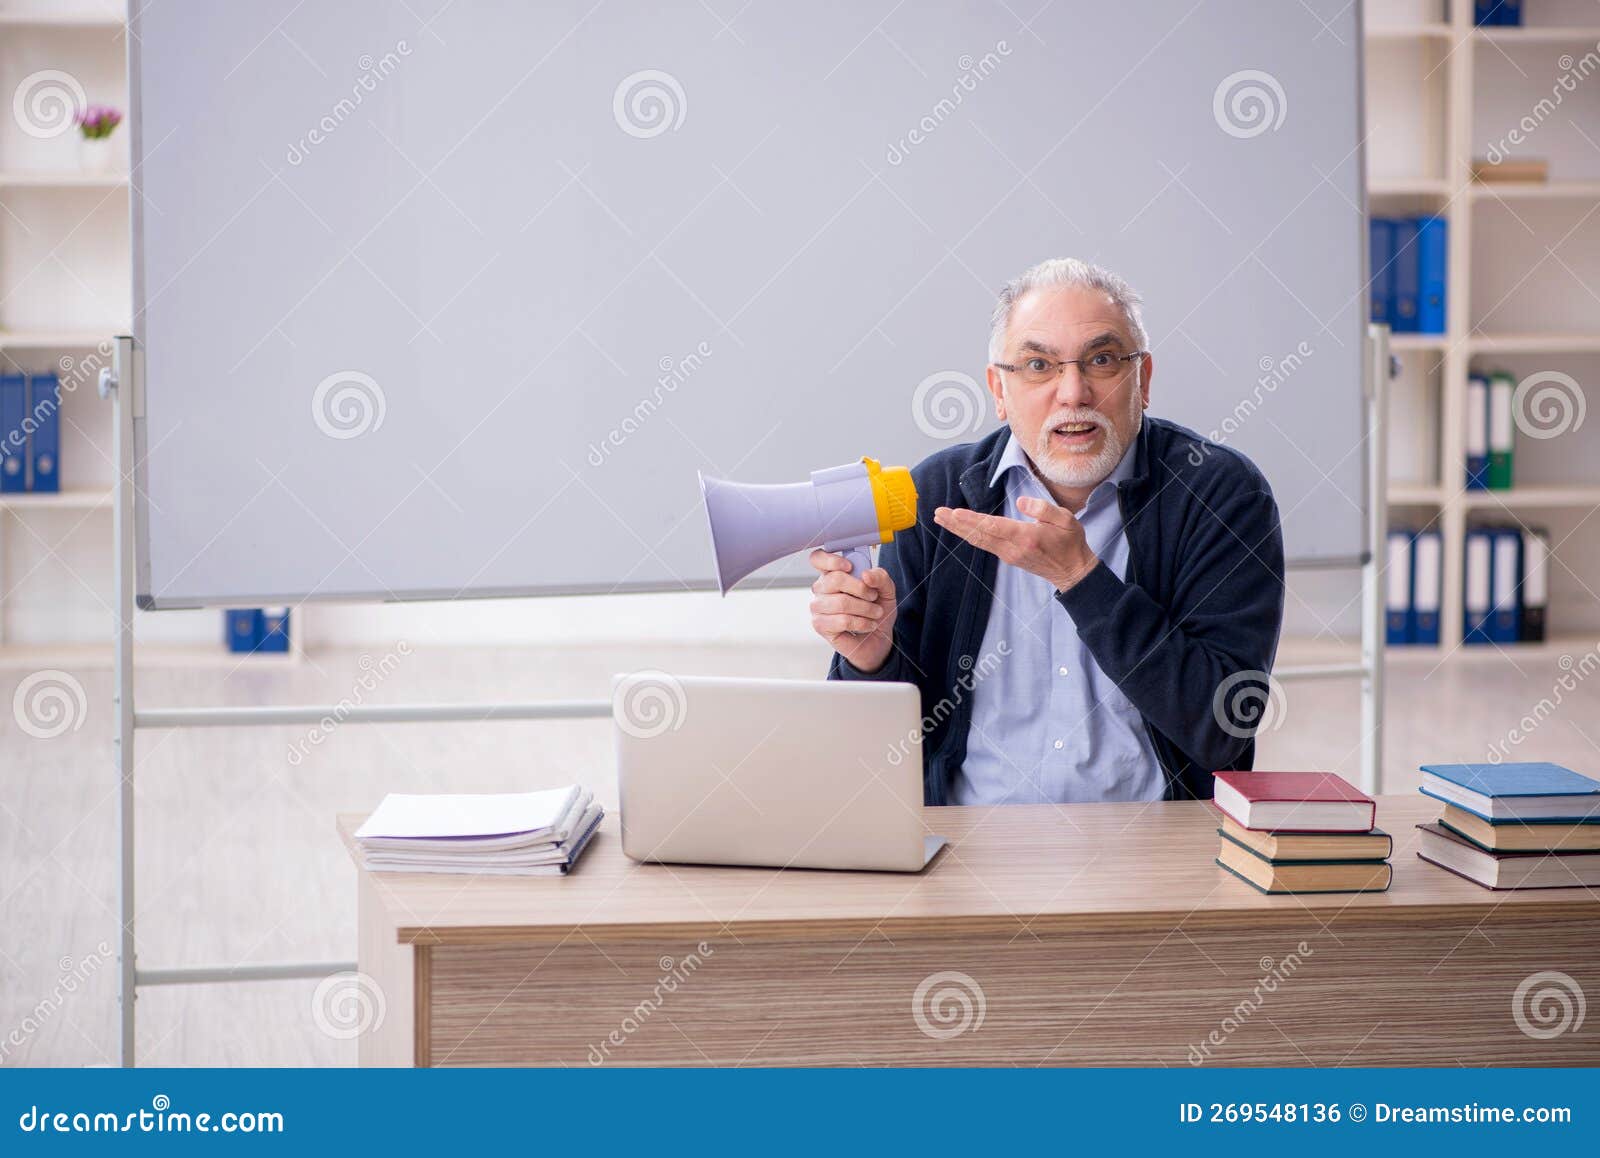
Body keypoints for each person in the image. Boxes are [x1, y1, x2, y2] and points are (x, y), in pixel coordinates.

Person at [813, 257, 1285, 804]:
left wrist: (1082, 579)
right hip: (968, 850)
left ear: (1143, 379)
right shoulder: (937, 494)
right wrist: (870, 658)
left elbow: (1221, 731)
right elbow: (872, 759)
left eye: (1102, 360)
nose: (1073, 392)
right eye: (1038, 365)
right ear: (998, 389)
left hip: (1157, 850)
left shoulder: (1221, 494)